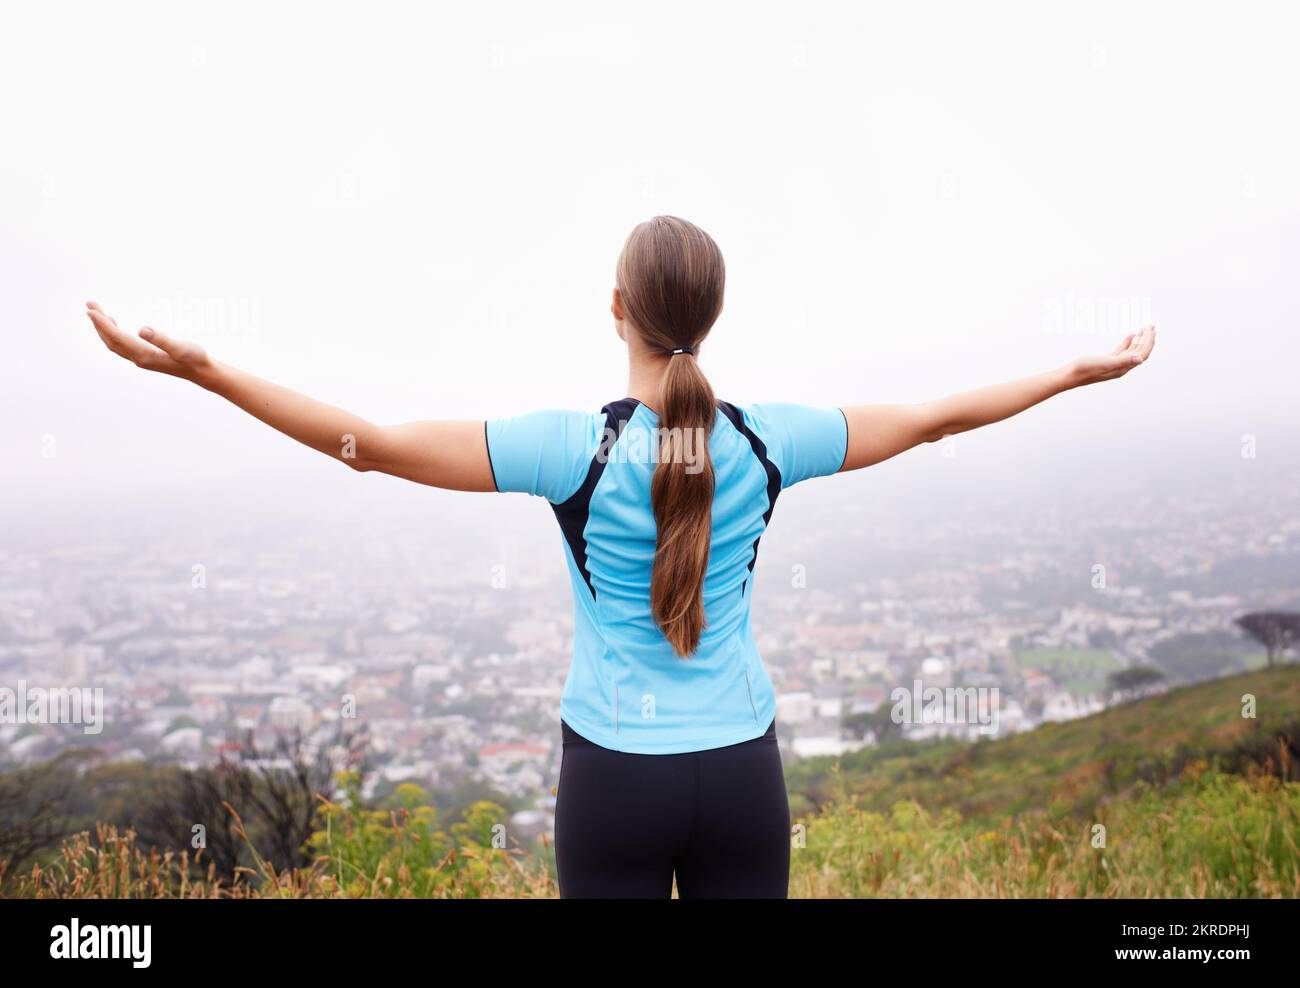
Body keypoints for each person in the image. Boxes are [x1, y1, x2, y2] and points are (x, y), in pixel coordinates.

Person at [85, 214, 1156, 898]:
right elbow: (933, 418)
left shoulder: (573, 447)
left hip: (613, 777)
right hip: (743, 773)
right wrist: (1071, 371)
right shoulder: (766, 439)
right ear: (714, 313)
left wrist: (208, 374)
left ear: (616, 312)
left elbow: (372, 448)